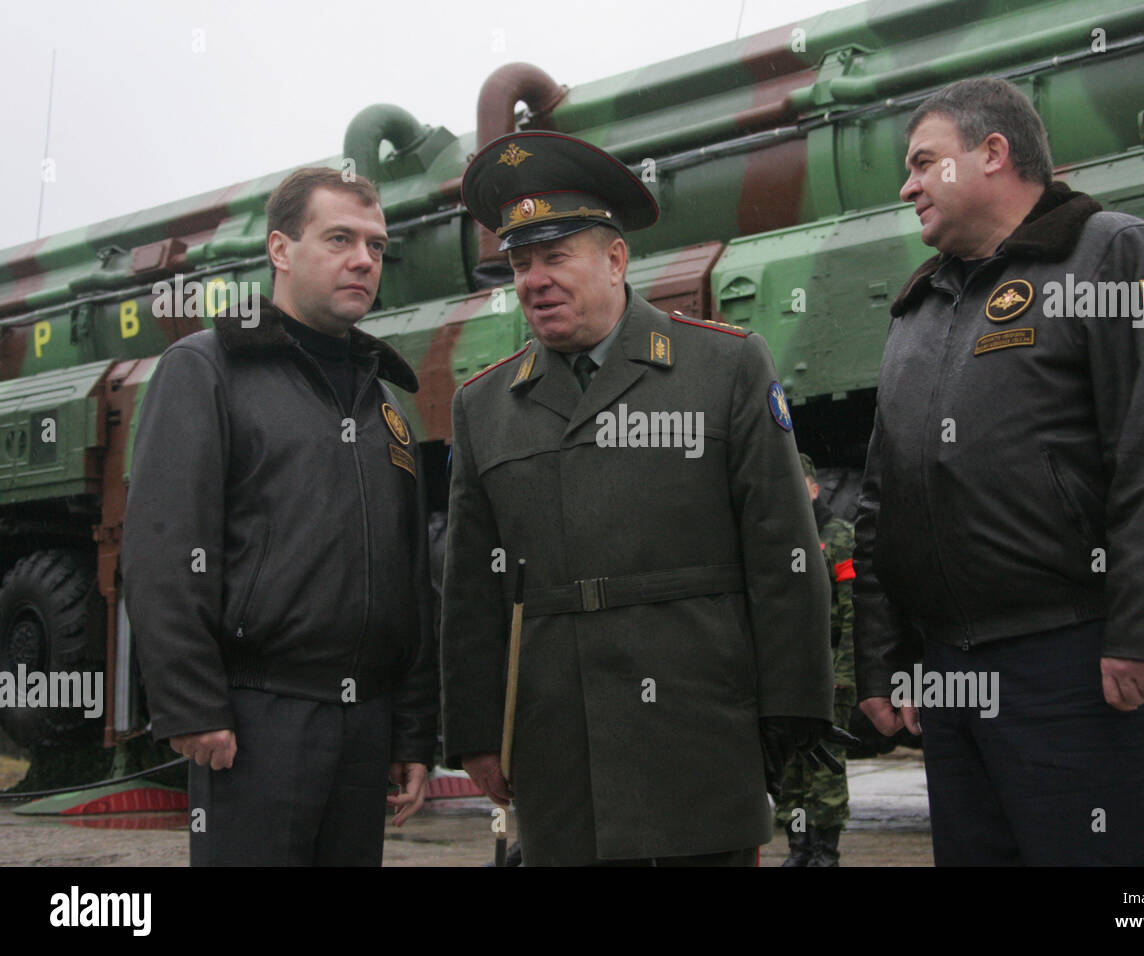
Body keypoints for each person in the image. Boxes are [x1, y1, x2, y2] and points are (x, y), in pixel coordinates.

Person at [853, 78, 1144, 866]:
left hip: (1074, 662)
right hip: (950, 674)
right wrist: (884, 662)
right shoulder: (919, 309)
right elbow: (886, 497)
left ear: (993, 153)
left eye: (923, 162)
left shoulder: (1112, 251)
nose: (906, 185)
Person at [441, 130, 834, 866]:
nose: (534, 279)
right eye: (521, 263)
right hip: (562, 762)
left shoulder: (724, 367)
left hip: (702, 743)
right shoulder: (484, 405)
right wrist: (475, 733)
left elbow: (783, 556)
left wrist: (788, 717)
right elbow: (471, 592)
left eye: (556, 257)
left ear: (615, 259)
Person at [122, 167, 439, 866]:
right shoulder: (206, 371)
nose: (364, 259)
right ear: (280, 250)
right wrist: (191, 704)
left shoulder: (385, 401)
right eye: (339, 238)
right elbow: (163, 549)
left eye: (376, 246)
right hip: (257, 719)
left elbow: (411, 577)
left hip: (365, 730)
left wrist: (415, 734)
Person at [774, 453, 857, 866]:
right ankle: (799, 847)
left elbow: (853, 612)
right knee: (793, 765)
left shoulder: (839, 536)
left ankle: (825, 850)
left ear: (814, 487)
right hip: (791, 669)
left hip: (828, 667)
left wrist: (843, 673)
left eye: (800, 484)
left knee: (825, 765)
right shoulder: (783, 541)